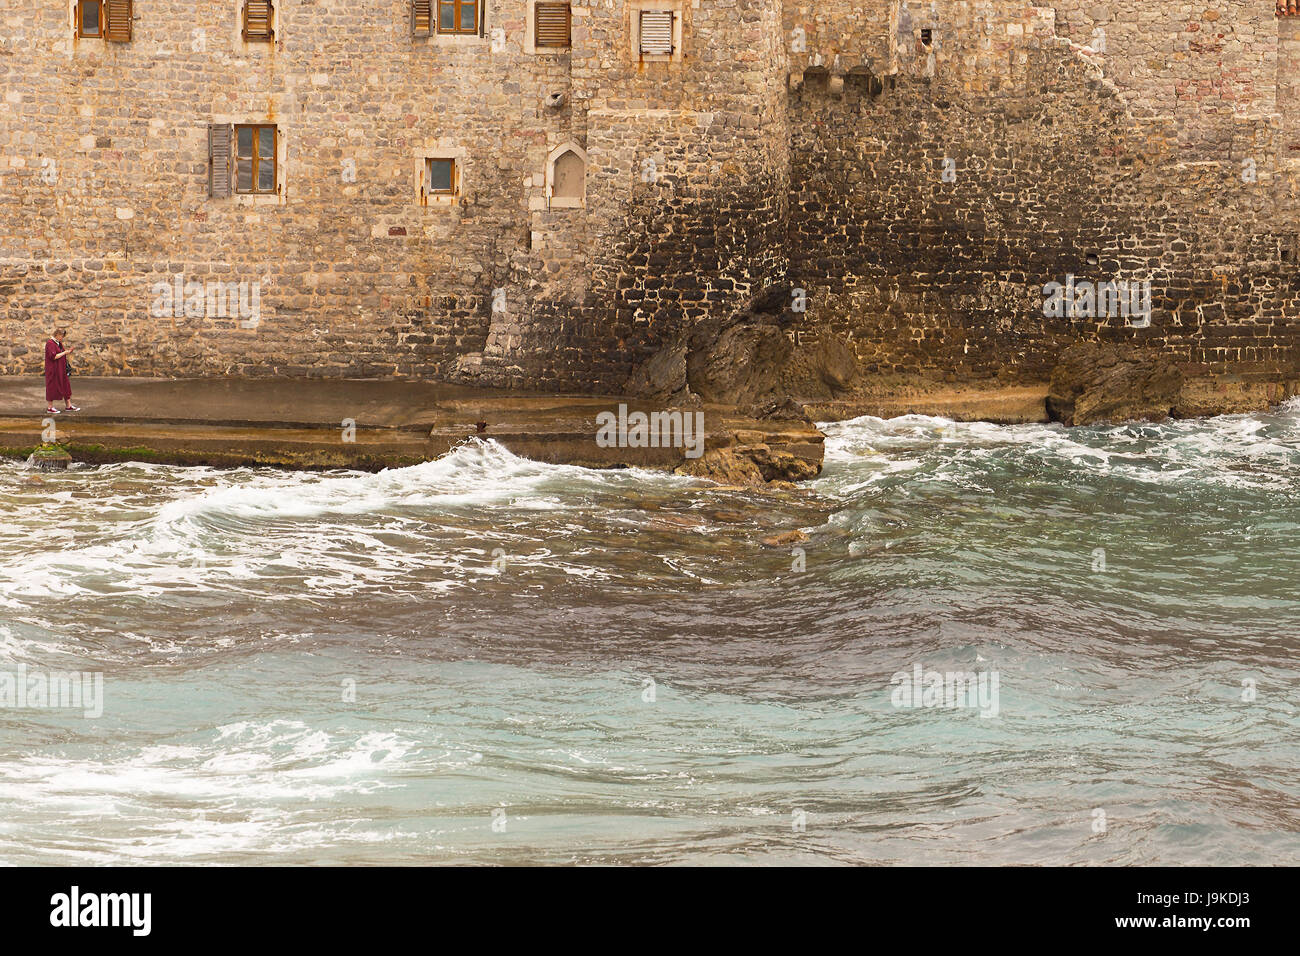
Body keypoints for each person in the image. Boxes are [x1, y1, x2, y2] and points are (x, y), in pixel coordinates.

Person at [44, 327, 78, 414]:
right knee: (52, 387)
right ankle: (50, 407)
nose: (62, 338)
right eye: (62, 336)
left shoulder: (58, 343)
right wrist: (65, 352)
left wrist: (68, 351)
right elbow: (53, 356)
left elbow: (61, 353)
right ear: (57, 335)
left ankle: (68, 406)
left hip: (61, 369)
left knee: (66, 386)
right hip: (53, 370)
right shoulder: (50, 343)